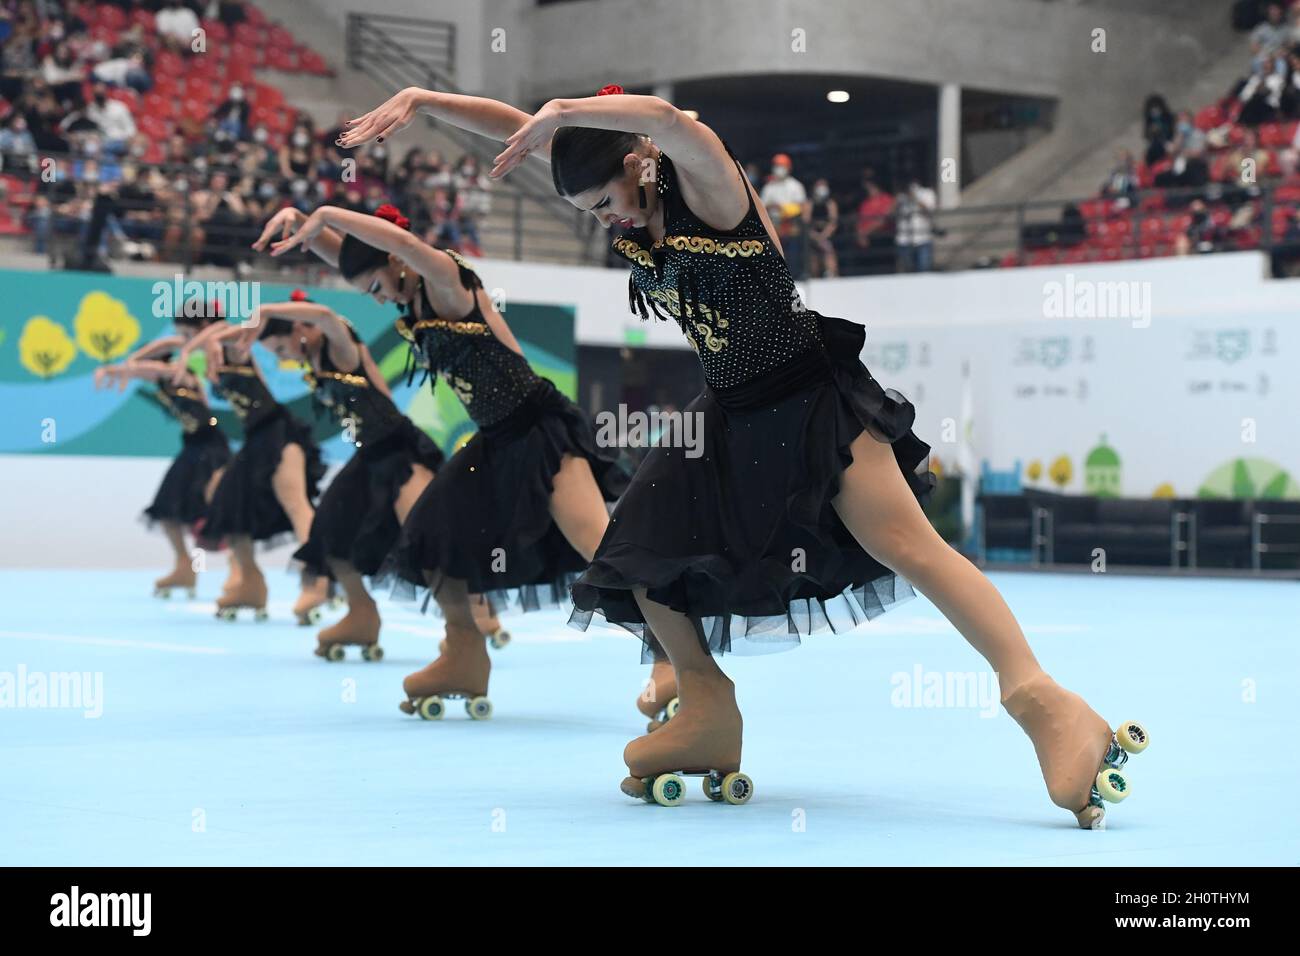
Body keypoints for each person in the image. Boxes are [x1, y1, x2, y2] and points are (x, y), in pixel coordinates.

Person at [337, 85, 1149, 823]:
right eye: (590, 212)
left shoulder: (712, 186)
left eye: (607, 201)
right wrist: (422, 100)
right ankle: (706, 708)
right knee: (638, 558)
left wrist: (567, 108)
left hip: (808, 398)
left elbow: (670, 122)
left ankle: (1043, 702)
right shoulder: (626, 184)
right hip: (729, 416)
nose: (606, 221)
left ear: (639, 163)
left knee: (911, 549)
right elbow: (527, 132)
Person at [260, 201, 642, 719]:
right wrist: (304, 228)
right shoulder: (405, 289)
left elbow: (403, 246)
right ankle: (463, 654)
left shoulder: (444, 279)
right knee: (429, 536)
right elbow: (362, 257)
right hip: (492, 441)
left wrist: (326, 211)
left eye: (376, 286)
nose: (377, 299)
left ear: (395, 263)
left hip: (538, 433)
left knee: (602, 551)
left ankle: (677, 659)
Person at [231, 293, 444, 660]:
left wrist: (268, 310)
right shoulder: (311, 358)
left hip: (400, 450)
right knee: (328, 533)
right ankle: (361, 614)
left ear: (301, 326)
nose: (284, 357)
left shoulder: (340, 347)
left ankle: (472, 617)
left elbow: (327, 314)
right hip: (368, 456)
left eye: (282, 347)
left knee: (425, 539)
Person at [172, 315, 331, 624]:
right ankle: (251, 583)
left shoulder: (234, 345)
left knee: (296, 503)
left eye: (188, 331)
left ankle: (319, 579)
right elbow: (192, 341)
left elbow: (221, 330)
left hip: (277, 433)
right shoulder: (212, 348)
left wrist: (195, 347)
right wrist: (189, 348)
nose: (184, 339)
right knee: (228, 508)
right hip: (254, 438)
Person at [93, 311, 233, 601]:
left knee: (217, 508)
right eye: (180, 336)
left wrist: (125, 368)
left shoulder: (184, 373)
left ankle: (240, 568)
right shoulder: (165, 371)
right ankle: (184, 566)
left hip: (212, 446)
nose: (183, 341)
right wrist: (125, 365)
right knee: (166, 509)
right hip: (192, 446)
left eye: (186, 334)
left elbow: (156, 366)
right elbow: (156, 354)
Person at [758, 153, 808, 279]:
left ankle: (795, 275)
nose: (778, 168)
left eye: (782, 165)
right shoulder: (768, 188)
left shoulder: (796, 186)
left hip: (791, 224)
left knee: (793, 253)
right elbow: (762, 208)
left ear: (788, 167)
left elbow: (801, 207)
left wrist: (782, 209)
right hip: (774, 225)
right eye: (777, 165)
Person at [895, 175, 936, 273]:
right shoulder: (901, 196)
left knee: (924, 270)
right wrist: (897, 200)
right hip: (904, 239)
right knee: (907, 271)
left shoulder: (927, 193)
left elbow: (929, 212)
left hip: (922, 238)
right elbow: (890, 213)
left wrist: (915, 198)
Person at [807, 177, 838, 278]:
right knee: (812, 258)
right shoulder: (809, 203)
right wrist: (815, 236)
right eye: (820, 185)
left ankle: (831, 275)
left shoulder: (830, 203)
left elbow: (833, 223)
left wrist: (823, 236)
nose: (822, 188)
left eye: (824, 185)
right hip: (812, 235)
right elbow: (805, 223)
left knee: (828, 250)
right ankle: (814, 277)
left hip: (826, 235)